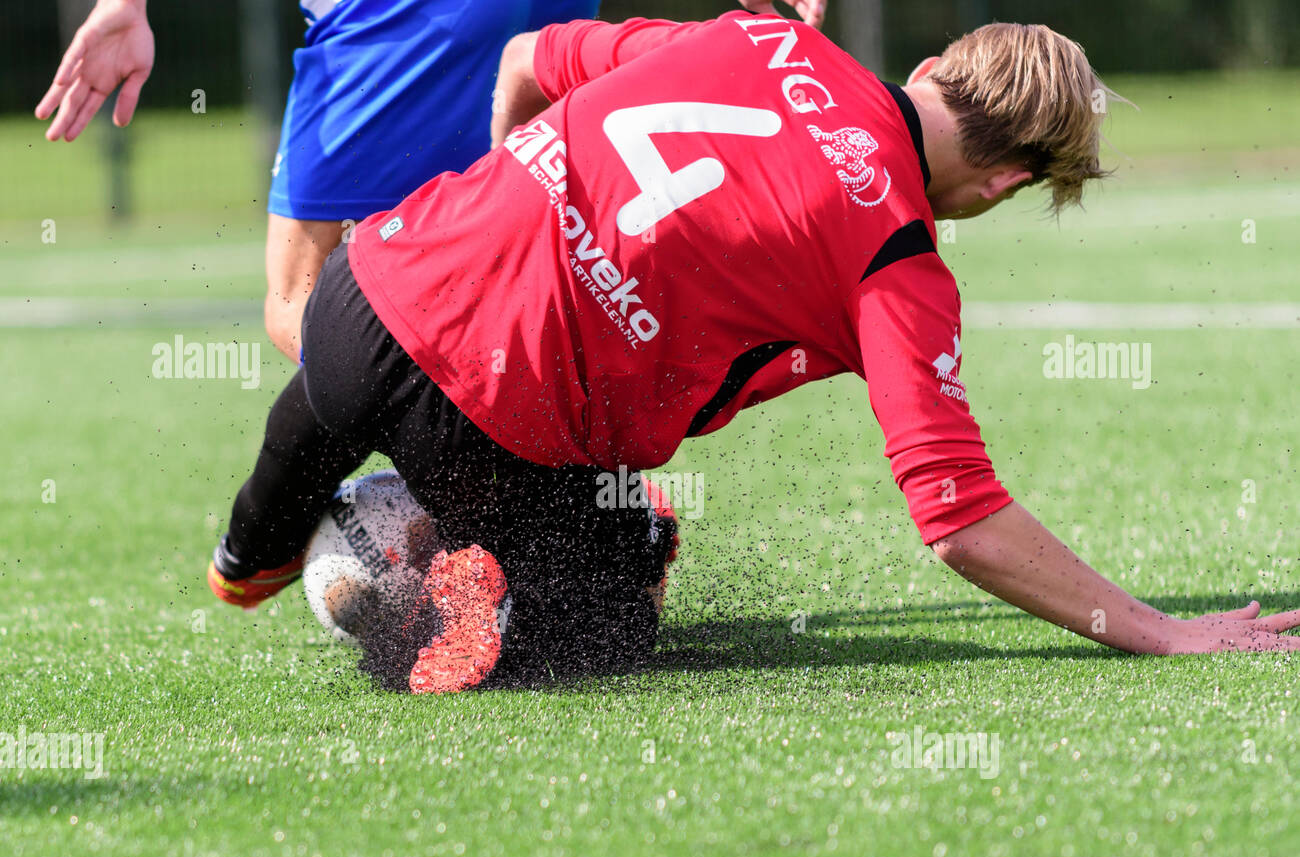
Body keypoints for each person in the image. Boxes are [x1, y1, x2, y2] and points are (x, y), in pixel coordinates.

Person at [204, 9, 1300, 692]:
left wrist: (508, 216)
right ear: (1008, 182)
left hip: (370, 291)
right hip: (485, 414)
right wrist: (1159, 631)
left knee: (286, 480)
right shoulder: (897, 257)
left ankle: (251, 554)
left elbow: (530, 59)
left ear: (930, 66)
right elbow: (960, 518)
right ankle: (449, 588)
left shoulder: (756, 35)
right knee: (613, 603)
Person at [35, 1, 823, 362]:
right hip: (528, 18)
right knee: (528, 257)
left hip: (400, 25)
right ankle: (571, 512)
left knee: (298, 303)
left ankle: (474, 478)